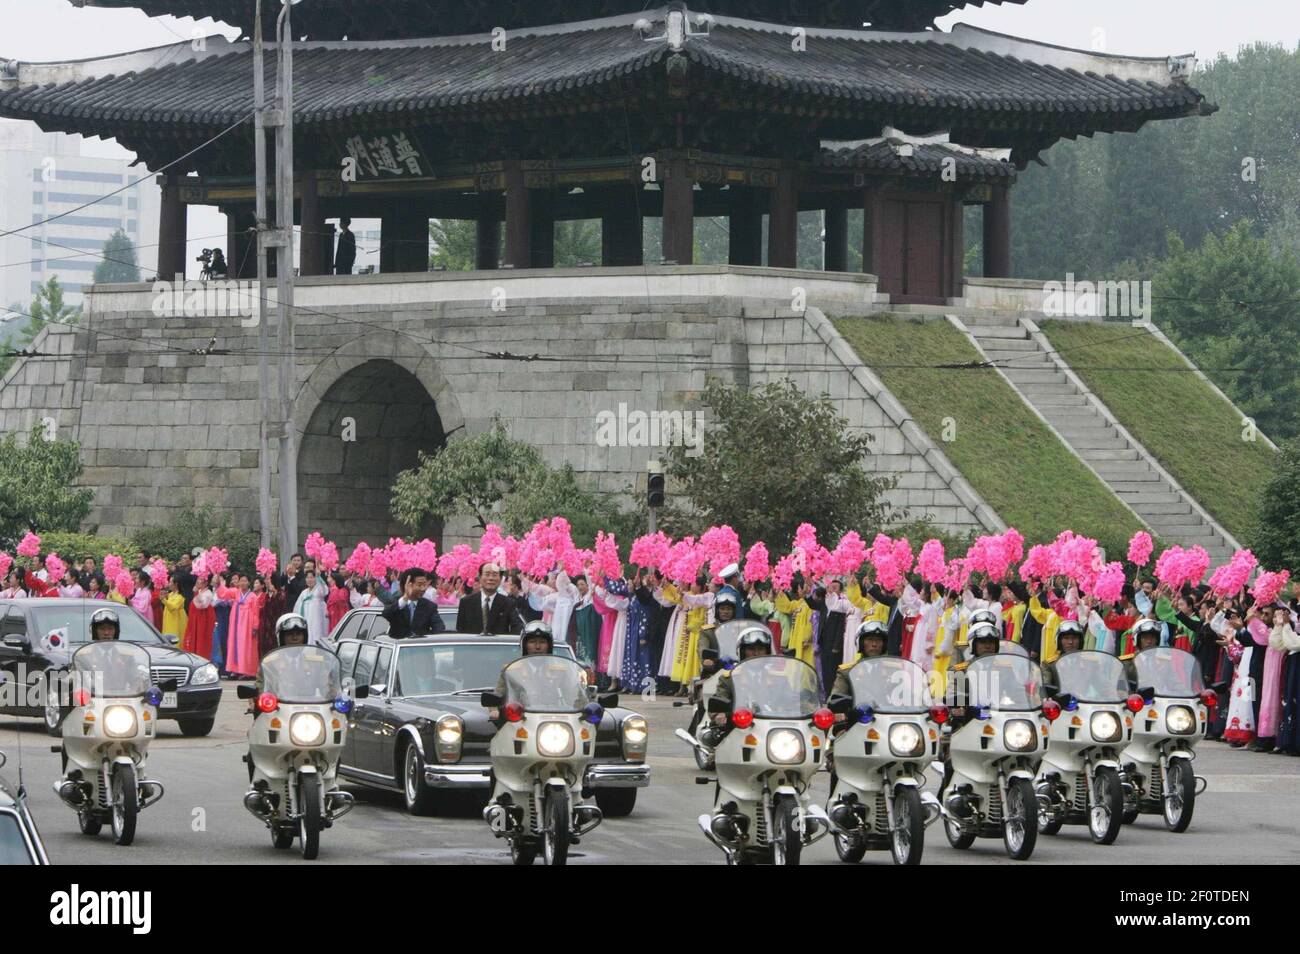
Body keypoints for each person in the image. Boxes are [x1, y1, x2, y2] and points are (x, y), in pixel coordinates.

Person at [830, 620, 889, 699]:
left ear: (884, 644)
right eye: (870, 639)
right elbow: (834, 701)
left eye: (878, 640)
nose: (874, 644)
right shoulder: (847, 672)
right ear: (860, 643)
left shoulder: (893, 671)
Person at [456, 563, 520, 635]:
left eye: (495, 575)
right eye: (487, 574)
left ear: (500, 579)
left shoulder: (509, 603)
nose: (491, 578)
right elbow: (460, 630)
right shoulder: (466, 602)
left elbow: (516, 629)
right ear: (480, 577)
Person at [381, 567, 446, 637]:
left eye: (425, 585)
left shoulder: (430, 606)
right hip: (398, 645)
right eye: (419, 585)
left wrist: (424, 637)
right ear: (408, 585)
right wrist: (405, 598)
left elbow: (439, 628)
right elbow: (386, 614)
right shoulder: (395, 601)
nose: (423, 589)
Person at [1042, 619, 1085, 690]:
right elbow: (1045, 687)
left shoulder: (1090, 662)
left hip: (1084, 700)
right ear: (1059, 641)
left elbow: (1103, 686)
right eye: (1066, 638)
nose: (1070, 642)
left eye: (1074, 638)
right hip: (1060, 700)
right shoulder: (1049, 664)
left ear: (1080, 641)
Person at [1121, 619, 1163, 689]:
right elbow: (1120, 689)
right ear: (1137, 640)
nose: (1149, 641)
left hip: (1160, 699)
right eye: (1145, 637)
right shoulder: (1126, 663)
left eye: (1152, 637)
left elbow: (1176, 686)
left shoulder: (1164, 662)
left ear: (1157, 640)